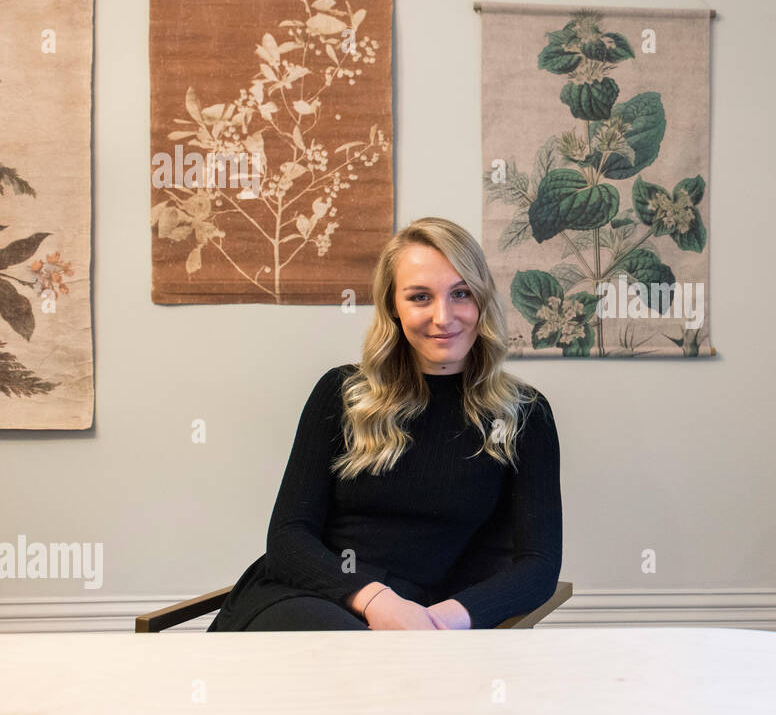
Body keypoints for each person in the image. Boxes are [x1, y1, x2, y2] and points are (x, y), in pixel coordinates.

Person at [207, 217, 561, 631]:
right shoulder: (343, 394)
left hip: (417, 621)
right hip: (306, 598)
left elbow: (538, 566)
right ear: (393, 306)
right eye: (420, 297)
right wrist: (377, 601)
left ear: (481, 300)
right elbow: (288, 538)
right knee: (344, 655)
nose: (443, 317)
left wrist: (445, 620)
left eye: (460, 293)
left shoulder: (524, 415)